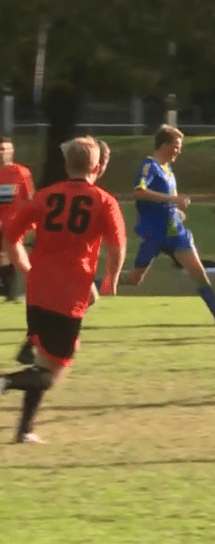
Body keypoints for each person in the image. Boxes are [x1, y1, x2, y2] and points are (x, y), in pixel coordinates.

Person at [0, 136, 127, 443]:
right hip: (67, 296)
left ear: (67, 165)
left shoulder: (45, 196)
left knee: (43, 362)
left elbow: (11, 238)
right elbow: (117, 245)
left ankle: (24, 430)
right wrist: (112, 278)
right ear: (97, 166)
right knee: (53, 373)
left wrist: (25, 269)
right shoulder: (104, 200)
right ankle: (3, 382)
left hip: (38, 292)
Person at [124, 124, 215, 330]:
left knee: (199, 273)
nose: (179, 150)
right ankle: (91, 284)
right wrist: (173, 199)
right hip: (154, 234)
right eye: (176, 146)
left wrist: (176, 211)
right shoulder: (149, 166)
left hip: (175, 233)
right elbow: (139, 192)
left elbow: (166, 203)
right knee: (133, 279)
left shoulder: (168, 170)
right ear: (164, 144)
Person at [15, 140, 112, 367]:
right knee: (77, 298)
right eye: (103, 163)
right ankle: (44, 340)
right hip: (65, 259)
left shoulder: (74, 181)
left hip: (58, 257)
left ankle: (36, 340)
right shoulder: (92, 193)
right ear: (96, 165)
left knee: (88, 297)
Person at [0, 137, 35, 301]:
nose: (4, 153)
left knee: (15, 259)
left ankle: (14, 292)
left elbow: (30, 198)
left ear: (12, 151)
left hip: (15, 225)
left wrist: (31, 222)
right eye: (1, 149)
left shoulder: (20, 172)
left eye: (6, 149)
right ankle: (8, 293)